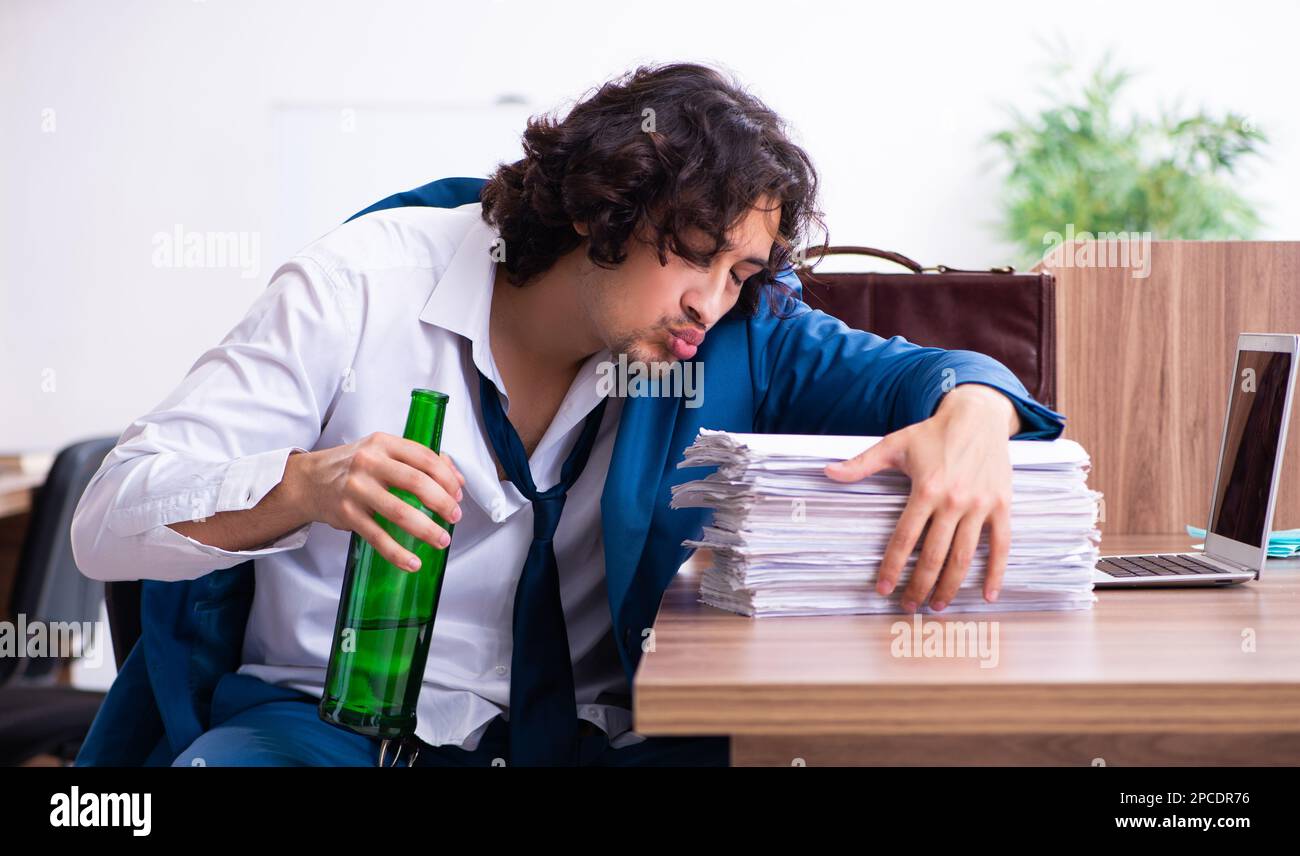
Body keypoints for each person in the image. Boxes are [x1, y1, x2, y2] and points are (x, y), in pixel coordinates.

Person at [71, 62, 1064, 767]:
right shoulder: (357, 288)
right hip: (320, 732)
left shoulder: (723, 333)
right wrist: (301, 485)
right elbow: (106, 519)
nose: (709, 303)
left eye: (742, 273)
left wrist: (974, 418)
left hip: (598, 742)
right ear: (604, 207)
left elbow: (924, 373)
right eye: (695, 253)